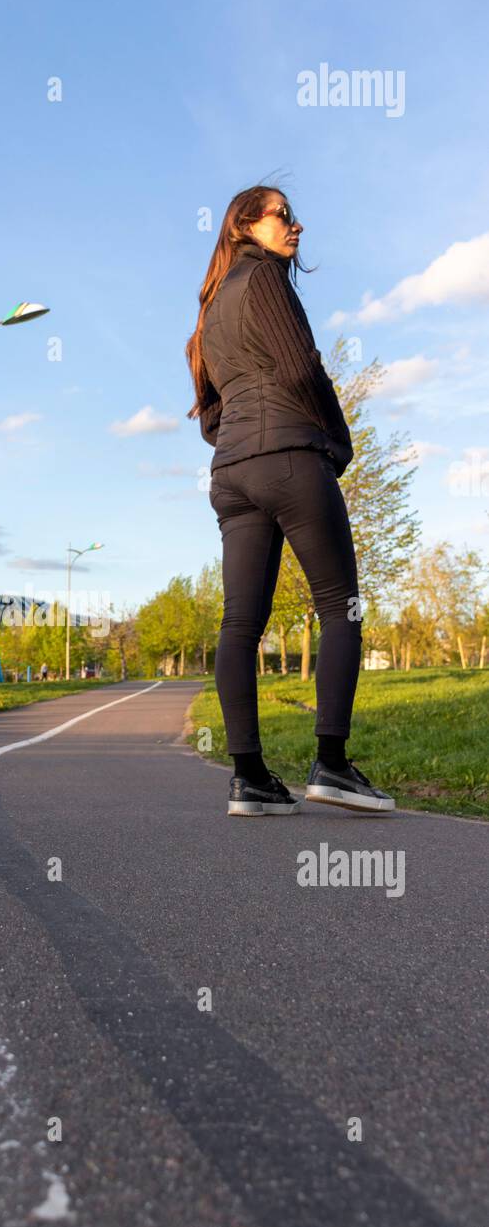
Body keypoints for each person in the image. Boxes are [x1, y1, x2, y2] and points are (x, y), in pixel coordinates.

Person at [186, 184, 394, 817]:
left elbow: (209, 416)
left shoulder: (209, 311)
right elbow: (304, 370)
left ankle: (249, 778)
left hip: (231, 474)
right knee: (342, 606)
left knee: (240, 623)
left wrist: (247, 443)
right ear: (246, 225)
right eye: (284, 216)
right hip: (290, 458)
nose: (296, 226)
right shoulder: (266, 278)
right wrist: (336, 440)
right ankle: (331, 765)